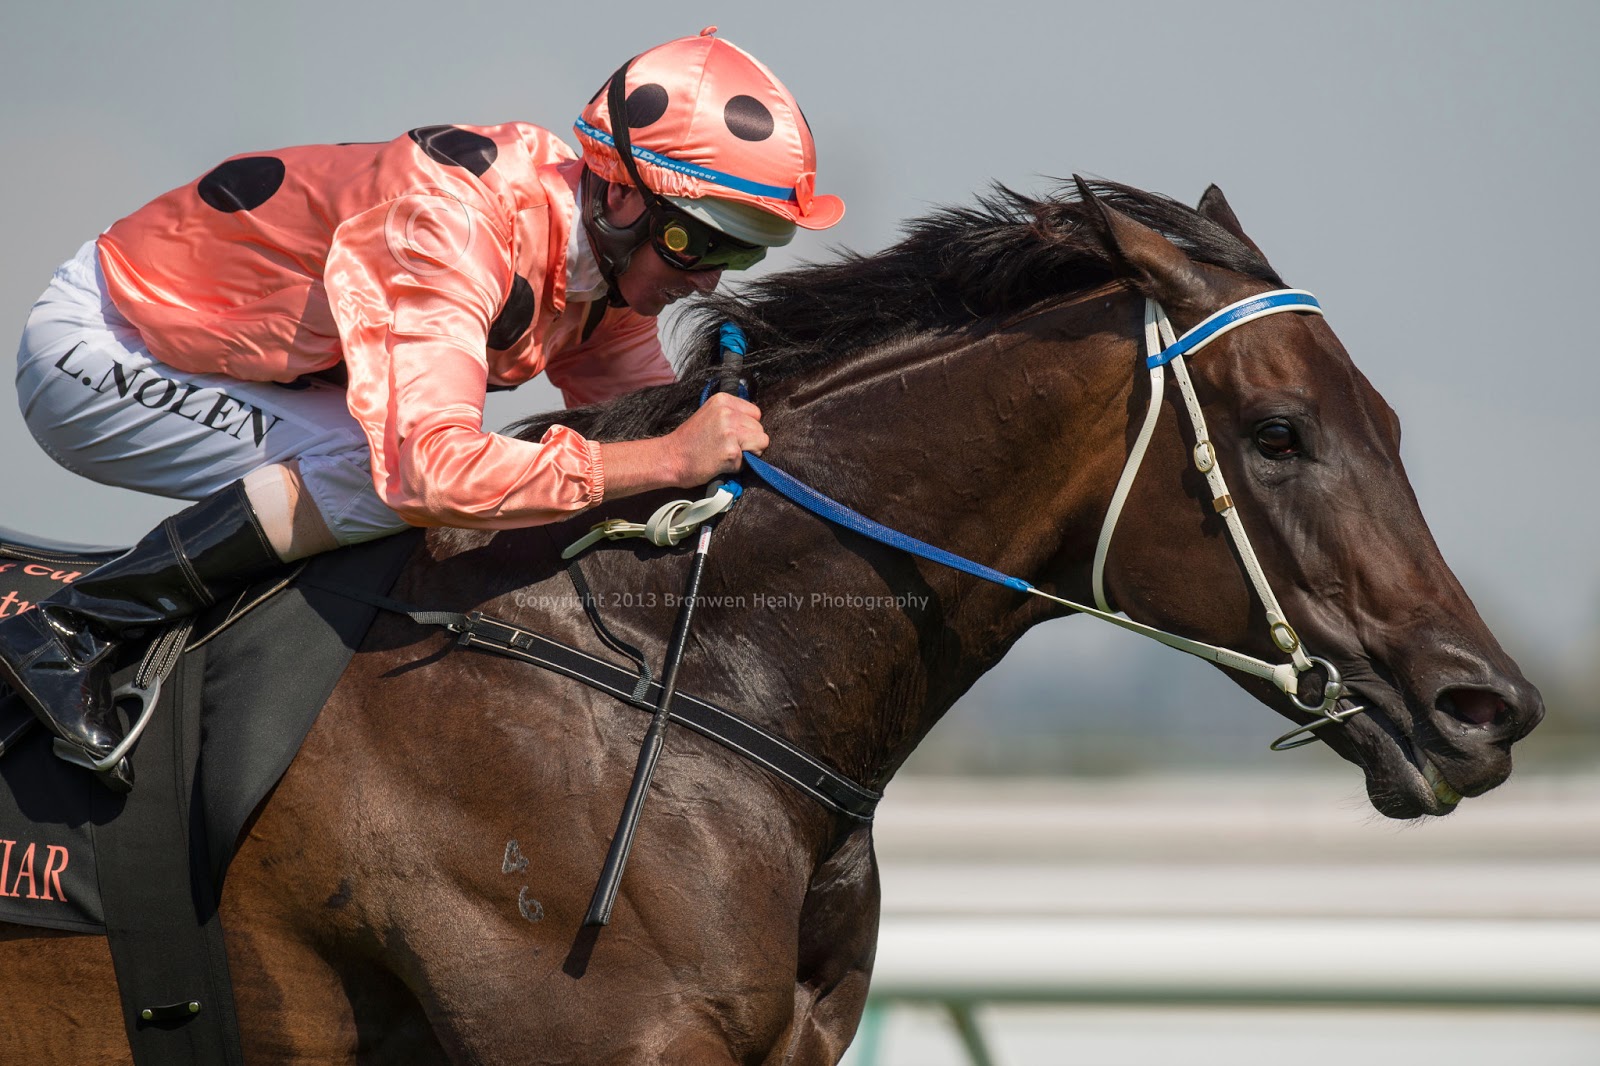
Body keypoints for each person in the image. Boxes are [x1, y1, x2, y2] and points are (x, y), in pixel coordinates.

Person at [1, 28, 845, 791]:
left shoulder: (609, 270)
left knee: (428, 475)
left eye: (742, 250)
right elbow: (433, 472)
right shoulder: (448, 224)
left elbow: (650, 423)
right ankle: (68, 630)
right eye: (702, 240)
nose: (710, 279)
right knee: (393, 481)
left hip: (246, 367)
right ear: (620, 197)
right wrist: (669, 461)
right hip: (107, 347)